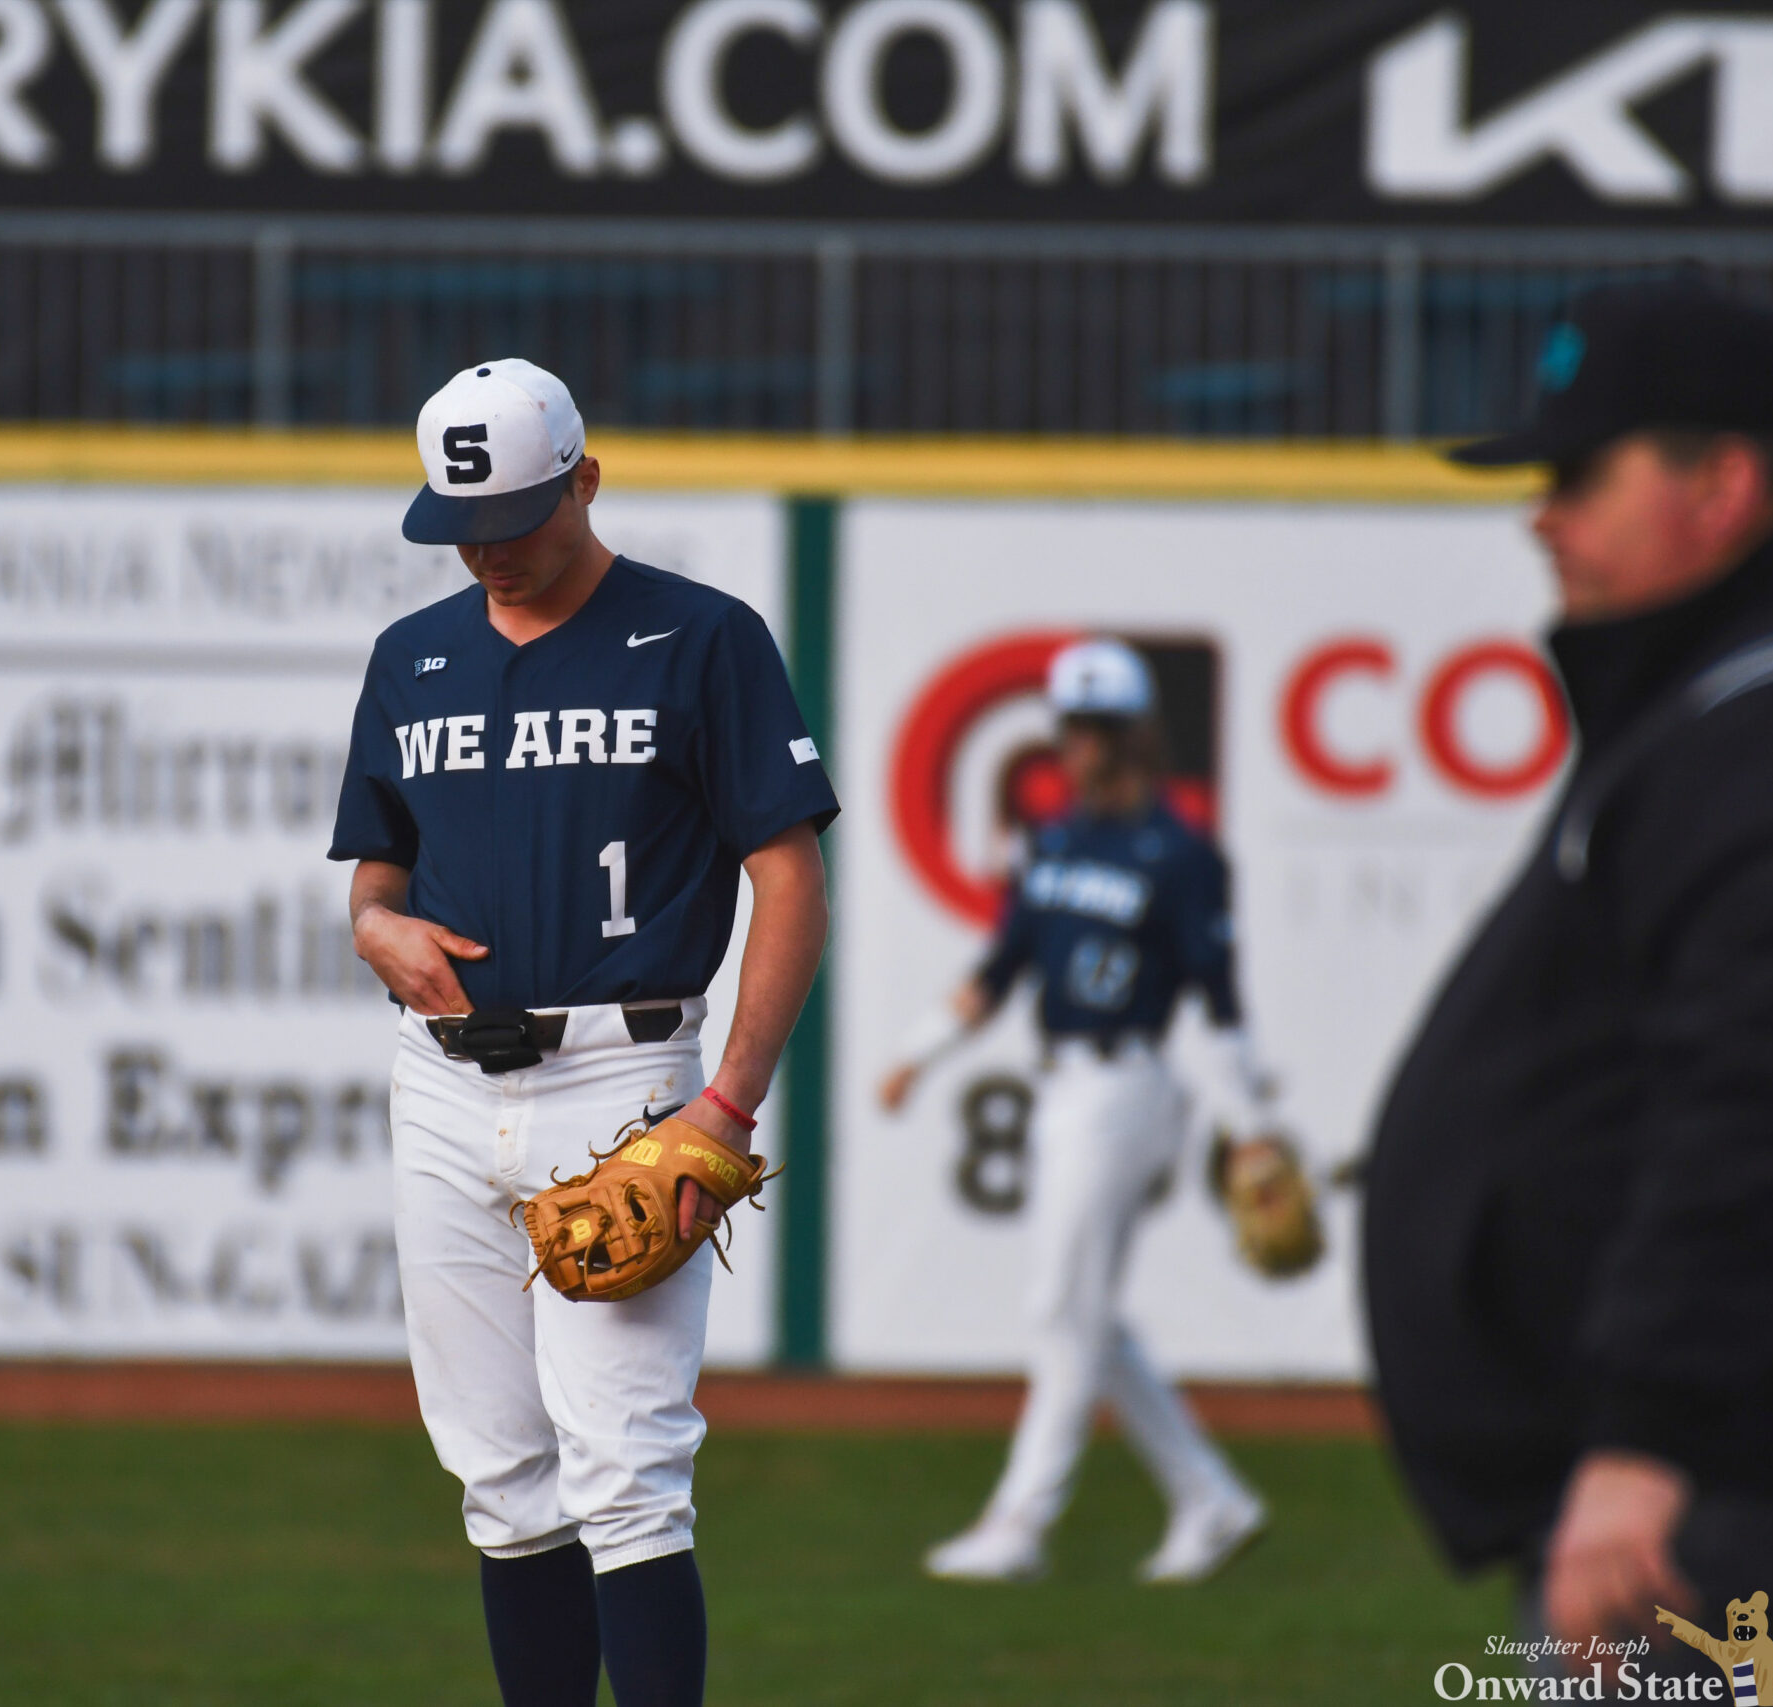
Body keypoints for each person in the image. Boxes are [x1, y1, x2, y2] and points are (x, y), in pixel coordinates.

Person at [329, 358, 835, 1707]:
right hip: (438, 1087)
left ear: (587, 479)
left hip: (627, 1075)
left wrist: (726, 1099)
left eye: (516, 518)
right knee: (500, 1476)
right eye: (463, 524)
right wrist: (373, 928)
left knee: (626, 1470)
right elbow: (377, 883)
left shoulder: (700, 636)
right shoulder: (412, 657)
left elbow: (790, 875)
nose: (488, 549)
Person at [1365, 279, 1773, 1669]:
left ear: (1725, 482)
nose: (1540, 513)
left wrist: (1653, 1430)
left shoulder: (1770, 730)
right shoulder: (1713, 705)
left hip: (1721, 1498)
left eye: (1579, 471)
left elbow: (1763, 1101)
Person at [877, 638, 1274, 1584]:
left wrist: (1251, 1123)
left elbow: (1218, 1001)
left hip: (1131, 1084)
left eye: (1098, 725)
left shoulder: (1182, 855)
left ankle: (1021, 1524)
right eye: (1071, 725)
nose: (1080, 743)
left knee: (1061, 1305)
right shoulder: (1050, 842)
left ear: (1138, 732)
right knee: (1083, 1311)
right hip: (1062, 1084)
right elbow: (999, 972)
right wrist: (918, 1055)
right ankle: (1212, 1498)